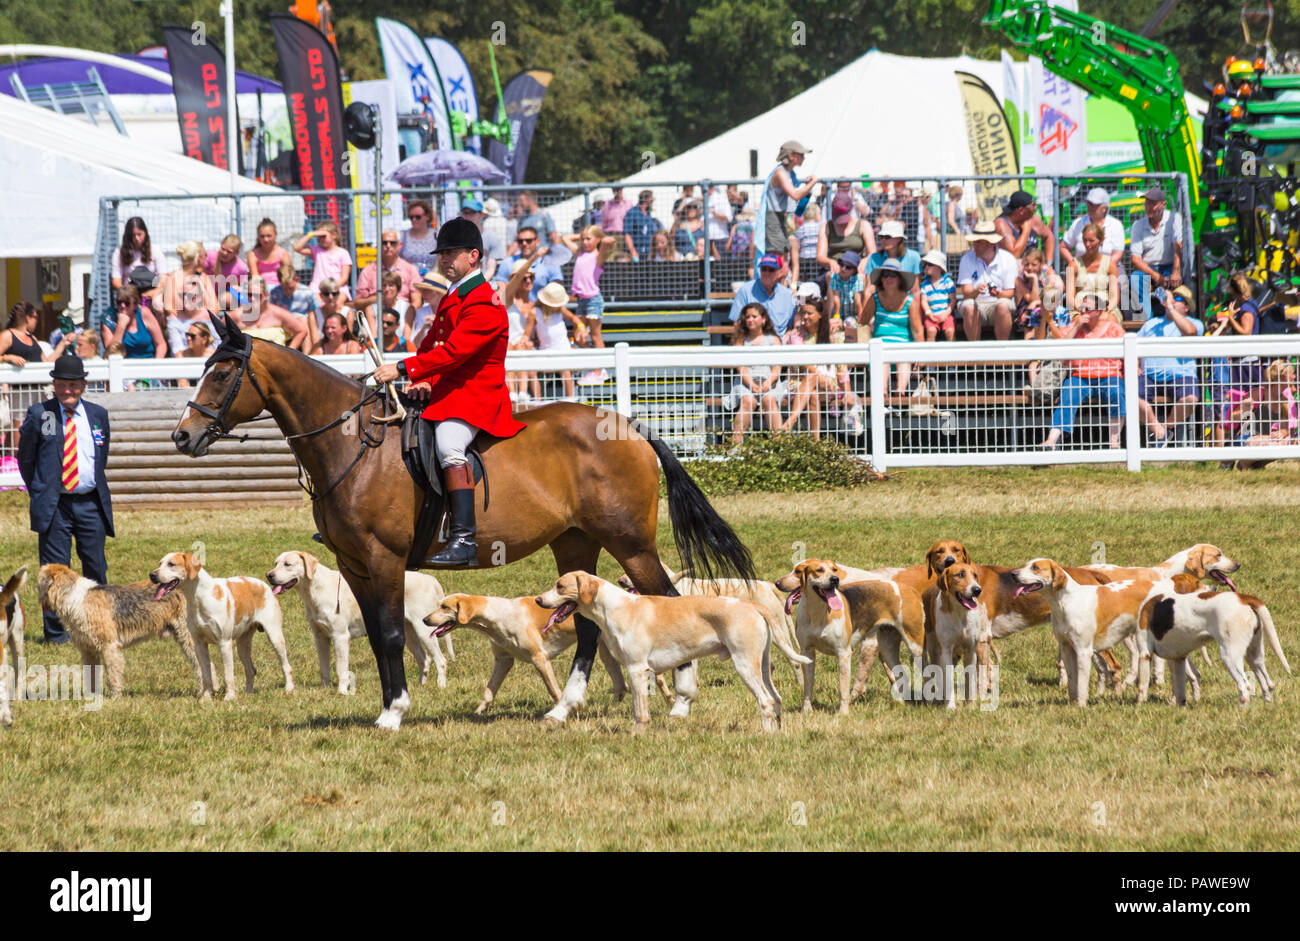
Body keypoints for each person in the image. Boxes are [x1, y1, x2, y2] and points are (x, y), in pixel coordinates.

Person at [372, 217, 528, 566]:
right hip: (447, 388)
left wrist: (402, 368)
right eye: (441, 253)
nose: (444, 260)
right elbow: (432, 344)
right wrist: (423, 377)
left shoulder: (484, 301)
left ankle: (464, 539)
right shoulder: (455, 295)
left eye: (451, 254)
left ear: (473, 256)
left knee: (449, 444)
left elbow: (456, 351)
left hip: (476, 394)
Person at [17, 354, 114, 644]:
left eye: (73, 385)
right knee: (55, 571)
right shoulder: (40, 414)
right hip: (55, 504)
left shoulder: (98, 415)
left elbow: (101, 456)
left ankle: (99, 622)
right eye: (61, 385)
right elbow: (26, 459)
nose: (67, 391)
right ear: (54, 385)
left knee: (95, 564)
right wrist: (41, 489)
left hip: (89, 502)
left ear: (83, 385)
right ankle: (57, 633)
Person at [1039, 296, 1126, 450]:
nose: (1083, 312)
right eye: (1081, 308)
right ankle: (1051, 441)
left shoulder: (1114, 329)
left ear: (1098, 311)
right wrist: (1076, 326)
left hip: (1109, 375)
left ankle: (1114, 441)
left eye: (1087, 309)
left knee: (1116, 393)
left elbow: (1129, 353)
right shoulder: (1075, 326)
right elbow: (1060, 351)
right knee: (1068, 394)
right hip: (1080, 376)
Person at [780, 302, 864, 438]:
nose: (805, 316)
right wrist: (820, 377)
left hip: (828, 385)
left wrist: (847, 392)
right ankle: (816, 441)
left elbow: (841, 367)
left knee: (813, 379)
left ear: (820, 315)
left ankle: (791, 420)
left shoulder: (833, 337)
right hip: (800, 384)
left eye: (809, 313)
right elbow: (803, 363)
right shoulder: (796, 336)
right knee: (812, 390)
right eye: (803, 313)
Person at [1136, 285, 1202, 446]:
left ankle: (1166, 427)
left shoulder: (1195, 323)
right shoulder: (1151, 323)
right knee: (1129, 396)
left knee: (1190, 399)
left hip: (1181, 375)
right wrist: (1136, 365)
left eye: (1177, 298)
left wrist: (1170, 308)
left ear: (1186, 307)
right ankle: (1160, 432)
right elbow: (1135, 346)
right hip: (1149, 376)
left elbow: (1190, 333)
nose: (1171, 300)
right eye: (1170, 298)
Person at [725, 303, 787, 445]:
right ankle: (736, 445)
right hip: (745, 381)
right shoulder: (741, 341)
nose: (750, 320)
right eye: (747, 317)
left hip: (769, 380)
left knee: (769, 401)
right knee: (748, 401)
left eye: (754, 316)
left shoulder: (774, 340)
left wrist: (768, 382)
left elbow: (777, 368)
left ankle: (779, 445)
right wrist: (751, 384)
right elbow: (741, 367)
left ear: (763, 319)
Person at [560, 224, 616, 382]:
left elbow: (607, 240)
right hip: (581, 301)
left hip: (593, 300)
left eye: (588, 239)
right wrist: (583, 234)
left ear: (597, 239)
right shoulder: (580, 253)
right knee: (579, 336)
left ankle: (599, 370)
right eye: (582, 239)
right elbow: (565, 238)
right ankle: (595, 360)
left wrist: (597, 236)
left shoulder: (598, 256)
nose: (584, 242)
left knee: (595, 335)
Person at [863, 257, 923, 394]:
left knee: (903, 357)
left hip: (903, 346)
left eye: (892, 275)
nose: (888, 278)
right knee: (880, 360)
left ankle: (900, 393)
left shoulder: (910, 301)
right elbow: (863, 321)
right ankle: (882, 393)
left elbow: (918, 331)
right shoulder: (875, 298)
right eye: (884, 275)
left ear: (900, 278)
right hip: (879, 345)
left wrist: (920, 357)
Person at [760, 140, 818, 270]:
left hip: (782, 218)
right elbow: (795, 195)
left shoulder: (790, 173)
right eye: (800, 154)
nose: (803, 157)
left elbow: (799, 196)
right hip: (773, 218)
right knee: (776, 259)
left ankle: (782, 287)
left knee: (785, 258)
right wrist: (813, 183)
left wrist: (807, 186)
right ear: (791, 156)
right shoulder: (780, 173)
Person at [1128, 186, 1184, 321]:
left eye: (1152, 203)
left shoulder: (1174, 218)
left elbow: (1178, 246)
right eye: (1146, 203)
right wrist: (1155, 276)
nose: (1148, 207)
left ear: (1163, 204)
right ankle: (1146, 322)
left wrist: (1176, 271)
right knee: (1136, 279)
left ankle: (1172, 319)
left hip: (1169, 266)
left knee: (1176, 285)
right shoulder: (1138, 225)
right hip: (1148, 270)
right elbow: (1135, 260)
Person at [957, 222, 1018, 341]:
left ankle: (1002, 352)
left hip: (998, 305)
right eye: (974, 241)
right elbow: (966, 293)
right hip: (976, 305)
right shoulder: (966, 259)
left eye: (978, 241)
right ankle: (974, 353)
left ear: (990, 244)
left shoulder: (1008, 259)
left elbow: (1010, 293)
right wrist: (976, 291)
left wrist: (998, 294)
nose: (974, 245)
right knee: (969, 306)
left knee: (1003, 304)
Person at [154, 240, 218, 355]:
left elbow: (214, 308)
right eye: (203, 255)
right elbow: (170, 310)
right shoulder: (174, 278)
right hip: (180, 327)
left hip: (203, 325)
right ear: (198, 258)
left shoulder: (203, 278)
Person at [532, 281, 587, 400]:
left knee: (565, 368)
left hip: (564, 352)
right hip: (546, 354)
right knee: (532, 369)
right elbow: (529, 333)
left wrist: (581, 327)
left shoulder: (560, 310)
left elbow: (574, 318)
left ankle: (571, 399)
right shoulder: (535, 312)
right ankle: (537, 402)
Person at [354, 228, 421, 321]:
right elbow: (357, 303)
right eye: (384, 243)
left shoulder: (410, 269)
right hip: (376, 316)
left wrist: (408, 317)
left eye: (392, 243)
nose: (388, 246)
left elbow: (417, 300)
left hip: (403, 316)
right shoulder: (368, 271)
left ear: (399, 245)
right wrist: (377, 299)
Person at [728, 253, 797, 338]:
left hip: (779, 345)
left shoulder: (787, 295)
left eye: (771, 270)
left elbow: (792, 326)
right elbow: (737, 324)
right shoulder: (745, 290)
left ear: (779, 272)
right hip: (752, 343)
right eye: (763, 269)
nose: (767, 273)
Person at [502, 258, 540, 405]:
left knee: (523, 347)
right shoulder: (508, 300)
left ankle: (534, 400)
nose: (528, 280)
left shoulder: (534, 305)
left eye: (531, 277)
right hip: (507, 346)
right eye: (524, 277)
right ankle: (512, 392)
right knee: (510, 347)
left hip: (524, 347)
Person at [492, 225, 563, 302]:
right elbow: (501, 290)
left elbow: (556, 291)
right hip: (513, 310)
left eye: (528, 240)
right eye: (520, 241)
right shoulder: (507, 263)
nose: (524, 243)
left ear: (537, 242)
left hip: (540, 310)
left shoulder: (550, 263)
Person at [1060, 187, 1125, 271]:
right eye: (1089, 203)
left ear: (1104, 208)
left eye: (1095, 205)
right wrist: (1075, 264)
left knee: (1133, 277)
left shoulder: (1116, 225)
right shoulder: (1078, 223)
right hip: (1083, 270)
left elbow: (1117, 254)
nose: (1090, 207)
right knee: (1069, 276)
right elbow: (1063, 247)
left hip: (1110, 268)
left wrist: (1100, 269)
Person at [238, 276, 310, 350]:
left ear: (267, 295)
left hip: (275, 359)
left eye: (258, 295)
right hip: (248, 360)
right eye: (250, 295)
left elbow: (302, 331)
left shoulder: (279, 314)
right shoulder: (238, 315)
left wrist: (289, 353)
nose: (253, 299)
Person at [817, 192, 875, 280]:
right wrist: (830, 262)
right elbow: (820, 257)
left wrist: (865, 261)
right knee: (831, 277)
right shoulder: (826, 227)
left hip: (856, 269)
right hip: (835, 270)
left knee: (862, 279)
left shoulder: (863, 225)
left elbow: (873, 253)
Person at [294, 221, 353, 306]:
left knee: (337, 304)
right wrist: (311, 234)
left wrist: (332, 288)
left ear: (334, 235)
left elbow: (344, 277)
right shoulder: (317, 250)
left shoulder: (343, 253)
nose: (321, 239)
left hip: (337, 288)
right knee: (318, 305)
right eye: (319, 237)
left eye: (323, 236)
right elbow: (297, 248)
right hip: (318, 288)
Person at [1064, 222, 1119, 313]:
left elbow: (1114, 297)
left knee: (1110, 320)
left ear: (1100, 241)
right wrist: (1083, 310)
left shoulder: (1110, 264)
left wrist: (1107, 309)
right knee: (1077, 321)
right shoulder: (1074, 264)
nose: (1087, 244)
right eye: (1085, 240)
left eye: (1091, 240)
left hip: (1104, 309)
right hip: (1079, 309)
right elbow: (1070, 298)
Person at [863, 220, 922, 303]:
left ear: (899, 239)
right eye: (881, 237)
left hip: (905, 306)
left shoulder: (914, 257)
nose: (883, 240)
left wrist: (916, 314)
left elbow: (915, 290)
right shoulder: (873, 258)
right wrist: (867, 314)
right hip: (881, 305)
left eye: (887, 237)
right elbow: (869, 290)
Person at [100, 286, 165, 360]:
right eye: (119, 302)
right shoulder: (109, 318)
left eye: (127, 303)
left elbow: (161, 344)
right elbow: (110, 354)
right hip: (122, 365)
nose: (122, 306)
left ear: (135, 305)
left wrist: (156, 364)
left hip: (147, 362)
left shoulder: (144, 313)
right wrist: (121, 326)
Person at [3, 301, 75, 364]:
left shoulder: (33, 338)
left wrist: (63, 343)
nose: (36, 322)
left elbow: (46, 363)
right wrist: (8, 358)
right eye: (36, 317)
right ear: (28, 318)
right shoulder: (8, 335)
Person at [994, 191, 1056, 262]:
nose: (1035, 208)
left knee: (1052, 273)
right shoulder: (1001, 224)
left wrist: (1048, 263)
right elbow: (1014, 256)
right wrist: (1026, 231)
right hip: (1014, 269)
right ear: (1021, 210)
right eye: (1032, 205)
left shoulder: (1032, 219)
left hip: (1034, 266)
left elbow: (1049, 236)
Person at [110, 216, 163, 295]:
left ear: (145, 234)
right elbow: (116, 280)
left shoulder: (155, 250)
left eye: (139, 234)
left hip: (152, 293)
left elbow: (163, 278)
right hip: (130, 295)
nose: (136, 238)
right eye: (133, 235)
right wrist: (128, 294)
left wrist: (152, 293)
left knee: (158, 303)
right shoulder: (119, 253)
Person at [461, 197, 505, 281]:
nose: (468, 216)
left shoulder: (491, 237)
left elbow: (490, 270)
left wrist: (476, 284)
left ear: (481, 214)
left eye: (472, 213)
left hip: (483, 282)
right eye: (466, 213)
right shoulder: (458, 237)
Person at [919, 249, 956, 343]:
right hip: (931, 314)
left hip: (946, 314)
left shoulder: (948, 282)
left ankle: (954, 355)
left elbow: (952, 301)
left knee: (950, 331)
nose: (926, 267)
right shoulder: (925, 284)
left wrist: (946, 314)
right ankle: (929, 356)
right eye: (925, 264)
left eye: (930, 264)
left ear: (939, 267)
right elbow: (924, 301)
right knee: (931, 331)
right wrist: (928, 313)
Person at [407, 271, 451, 347]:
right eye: (422, 290)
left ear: (438, 292)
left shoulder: (451, 310)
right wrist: (424, 327)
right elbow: (416, 344)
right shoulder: (422, 312)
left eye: (427, 290)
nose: (423, 294)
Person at [247, 218, 293, 289]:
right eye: (262, 236)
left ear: (275, 235)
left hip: (280, 289)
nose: (266, 239)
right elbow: (255, 277)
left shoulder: (283, 254)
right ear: (258, 237)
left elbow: (288, 275)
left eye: (269, 236)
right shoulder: (253, 254)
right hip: (260, 289)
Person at [827, 251, 865, 332]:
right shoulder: (835, 277)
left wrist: (861, 320)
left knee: (849, 324)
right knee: (834, 326)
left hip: (852, 314)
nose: (843, 268)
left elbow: (858, 301)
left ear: (854, 271)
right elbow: (836, 299)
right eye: (841, 264)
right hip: (838, 312)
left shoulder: (857, 279)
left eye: (848, 267)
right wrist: (837, 317)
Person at [622, 190, 663, 261]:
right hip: (635, 254)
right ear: (647, 200)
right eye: (652, 200)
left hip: (648, 254)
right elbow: (627, 235)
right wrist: (633, 252)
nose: (652, 202)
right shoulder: (632, 213)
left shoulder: (648, 214)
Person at [399, 199, 438, 268]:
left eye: (418, 217)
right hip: (410, 277)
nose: (414, 220)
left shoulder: (436, 235)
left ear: (427, 216)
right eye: (411, 217)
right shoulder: (403, 236)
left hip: (432, 276)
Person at [706, 183, 733, 260]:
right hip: (707, 239)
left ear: (711, 188)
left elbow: (728, 218)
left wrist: (714, 212)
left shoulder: (721, 199)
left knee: (721, 266)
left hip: (720, 238)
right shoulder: (705, 199)